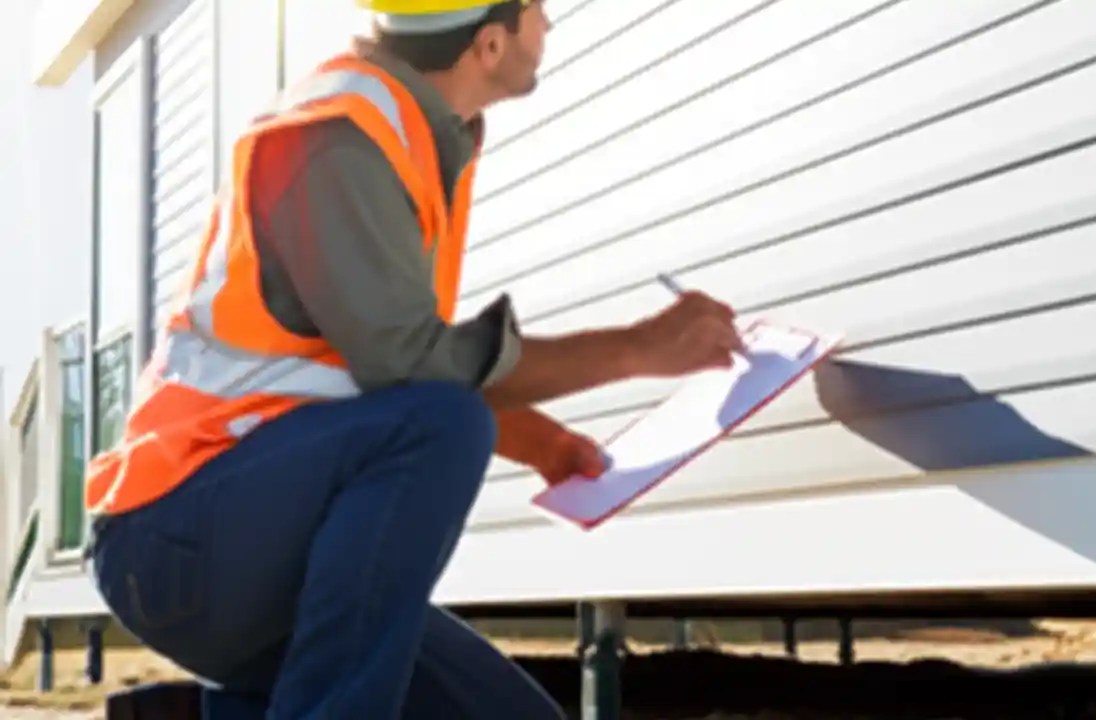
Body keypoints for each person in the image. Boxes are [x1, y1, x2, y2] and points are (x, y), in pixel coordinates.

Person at [84, 1, 743, 718]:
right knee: (446, 423)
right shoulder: (335, 137)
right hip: (179, 538)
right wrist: (638, 349)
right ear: (490, 44)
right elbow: (411, 367)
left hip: (256, 530)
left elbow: (385, 367)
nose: (549, 24)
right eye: (536, 9)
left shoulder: (414, 134)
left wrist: (541, 443)